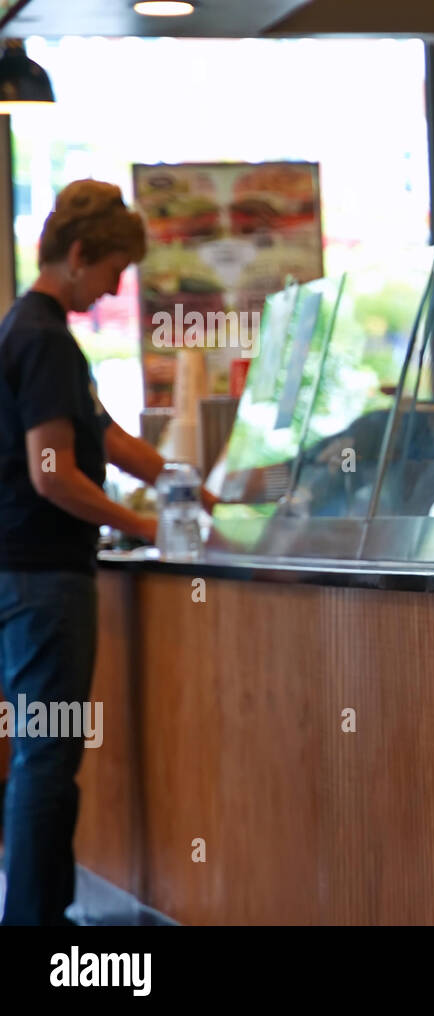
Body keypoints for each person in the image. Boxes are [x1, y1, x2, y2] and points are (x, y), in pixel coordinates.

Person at [0, 179, 196, 925]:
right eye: (113, 268)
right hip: (43, 579)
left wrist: (185, 485)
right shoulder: (44, 338)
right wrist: (150, 527)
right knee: (46, 763)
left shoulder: (29, 329)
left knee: (42, 760)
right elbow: (55, 475)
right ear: (78, 254)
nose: (116, 285)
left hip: (23, 575)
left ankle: (46, 915)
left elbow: (106, 437)